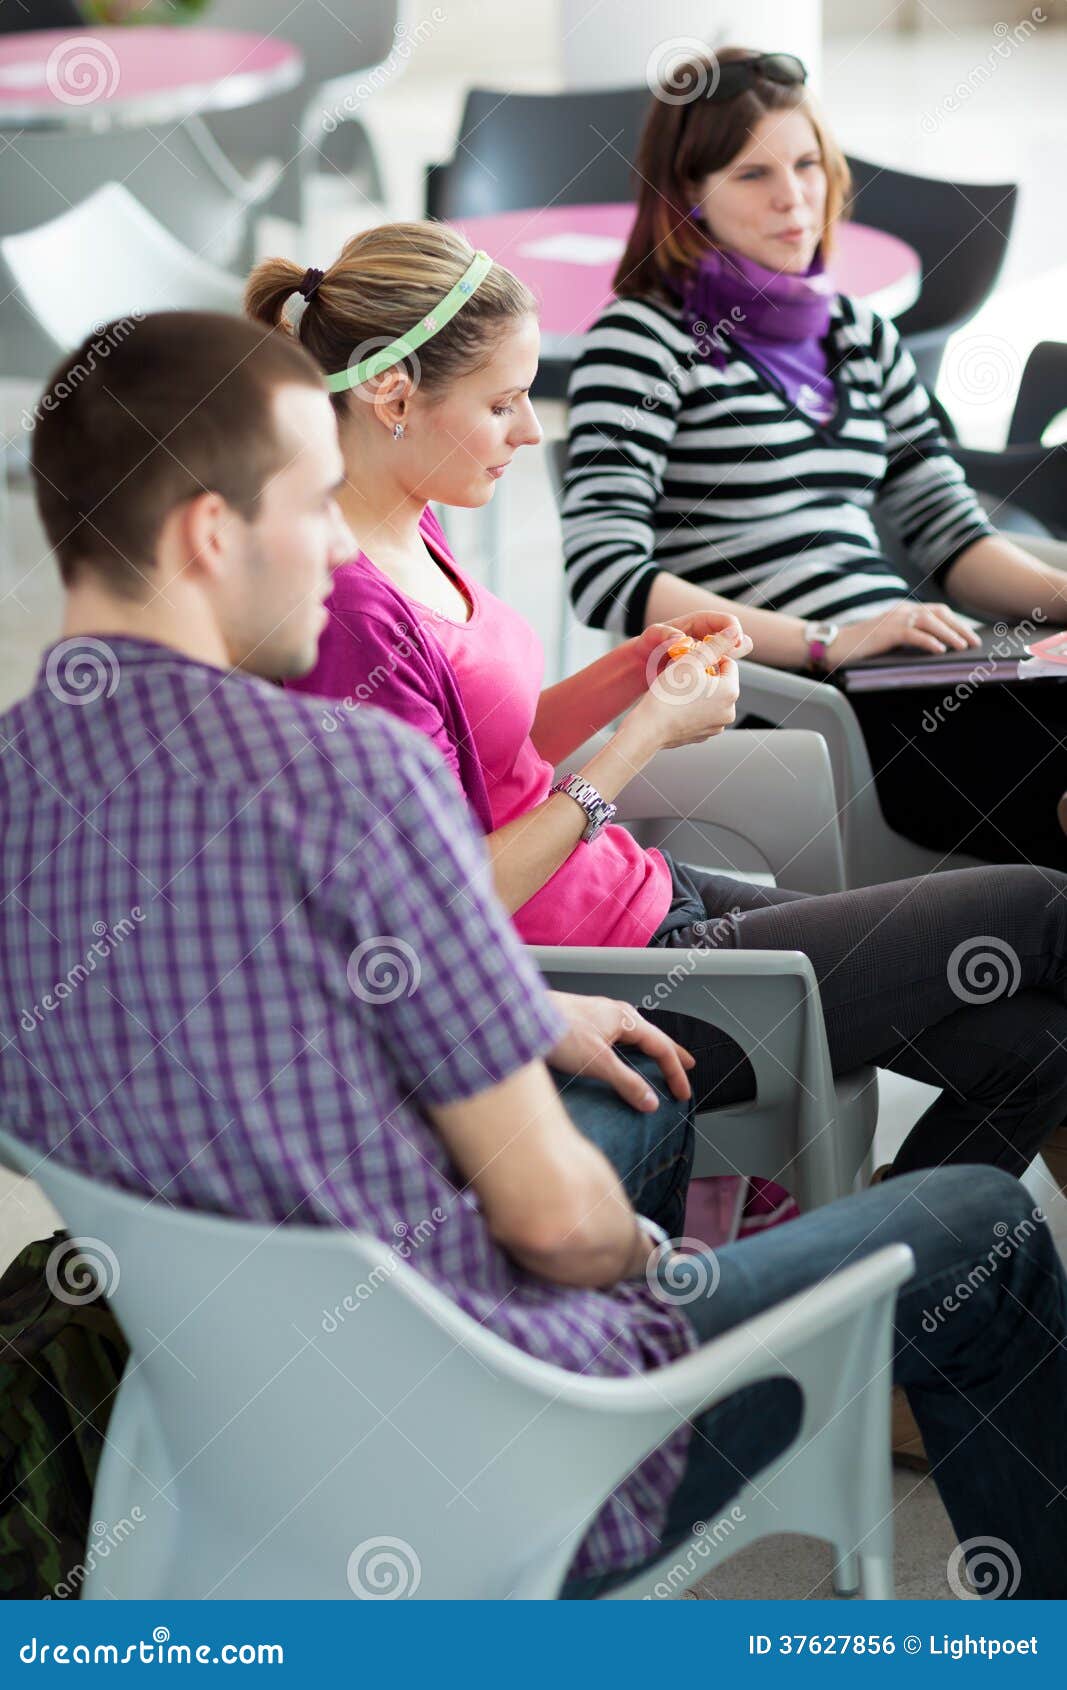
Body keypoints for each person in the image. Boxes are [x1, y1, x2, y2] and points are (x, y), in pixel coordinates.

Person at [3, 312, 1067, 1597]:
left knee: (929, 1052)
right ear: (207, 535)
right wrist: (676, 1269)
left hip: (230, 1445)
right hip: (517, 1447)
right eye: (313, 503)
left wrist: (513, 1008)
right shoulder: (346, 779)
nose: (339, 545)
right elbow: (559, 1226)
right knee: (984, 1225)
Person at [244, 222, 1067, 1192]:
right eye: (502, 404)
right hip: (608, 975)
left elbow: (488, 755)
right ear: (392, 396)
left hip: (641, 898)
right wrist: (641, 738)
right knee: (1041, 906)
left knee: (1036, 1043)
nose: (530, 431)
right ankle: (902, 1258)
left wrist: (627, 673)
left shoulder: (412, 518)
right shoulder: (348, 615)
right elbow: (444, 903)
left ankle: (905, 1262)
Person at [561, 45, 1067, 869]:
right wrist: (827, 640)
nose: (794, 197)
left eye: (805, 164)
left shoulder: (860, 334)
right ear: (688, 193)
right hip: (792, 695)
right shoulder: (641, 341)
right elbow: (604, 575)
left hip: (920, 666)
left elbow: (951, 536)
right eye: (752, 174)